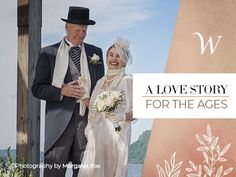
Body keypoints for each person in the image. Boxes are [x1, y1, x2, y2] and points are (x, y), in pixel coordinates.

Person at [31, 6, 104, 177]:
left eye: (84, 30)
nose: (81, 33)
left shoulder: (96, 53)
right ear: (67, 27)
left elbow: (101, 87)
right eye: (77, 29)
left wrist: (94, 100)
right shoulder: (48, 53)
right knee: (54, 171)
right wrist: (62, 91)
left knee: (85, 171)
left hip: (86, 123)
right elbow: (37, 88)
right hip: (58, 125)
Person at [78, 37, 133, 177]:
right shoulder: (100, 82)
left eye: (118, 56)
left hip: (116, 135)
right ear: (106, 57)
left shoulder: (127, 80)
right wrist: (84, 94)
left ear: (124, 60)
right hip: (97, 136)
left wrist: (120, 116)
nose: (114, 59)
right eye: (111, 55)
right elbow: (95, 108)